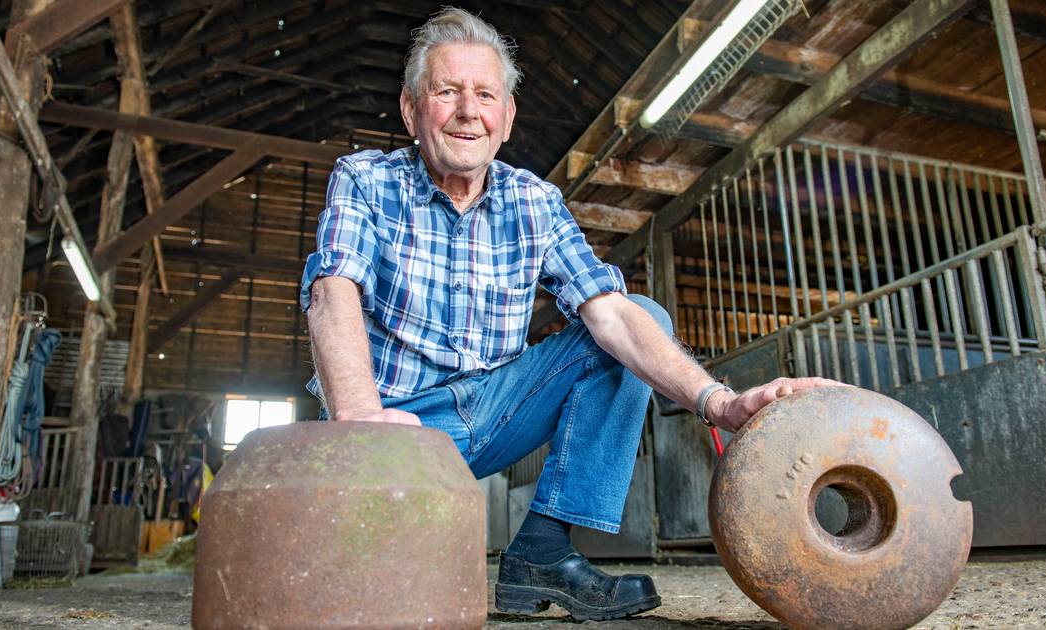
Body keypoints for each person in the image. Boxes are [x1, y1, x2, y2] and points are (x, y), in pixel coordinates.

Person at [301, 7, 842, 621]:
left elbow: (608, 313)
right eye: (445, 91)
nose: (467, 111)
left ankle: (541, 551)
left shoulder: (535, 200)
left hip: (497, 408)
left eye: (485, 94)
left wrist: (719, 403)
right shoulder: (366, 179)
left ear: (506, 117)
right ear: (410, 109)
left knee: (637, 317)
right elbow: (333, 290)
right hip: (395, 424)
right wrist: (361, 418)